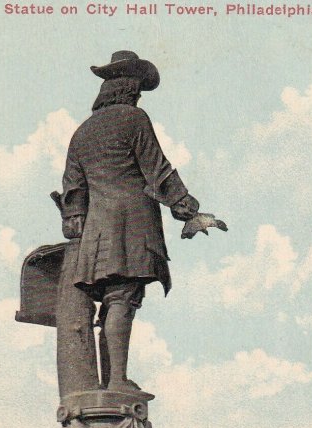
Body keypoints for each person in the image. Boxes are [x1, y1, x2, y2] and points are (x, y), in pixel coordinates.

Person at [56, 50, 200, 394]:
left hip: (95, 235)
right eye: (136, 88)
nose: (138, 95)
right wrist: (187, 207)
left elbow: (73, 191)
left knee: (112, 300)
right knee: (122, 298)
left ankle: (112, 380)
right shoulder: (134, 119)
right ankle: (117, 379)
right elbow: (158, 171)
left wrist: (75, 222)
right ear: (127, 88)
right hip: (133, 225)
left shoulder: (81, 132)